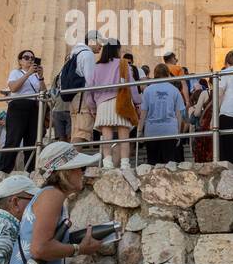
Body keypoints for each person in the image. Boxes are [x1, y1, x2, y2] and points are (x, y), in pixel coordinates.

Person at [87, 40, 140, 168]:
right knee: (124, 136)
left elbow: (89, 88)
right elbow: (131, 85)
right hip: (120, 102)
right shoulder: (123, 64)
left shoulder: (96, 67)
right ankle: (125, 164)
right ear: (117, 49)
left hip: (102, 104)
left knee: (106, 137)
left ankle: (107, 163)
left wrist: (92, 107)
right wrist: (138, 102)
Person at [0, 50, 43, 173]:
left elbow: (43, 92)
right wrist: (27, 74)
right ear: (20, 61)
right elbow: (13, 87)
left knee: (31, 140)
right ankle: (3, 170)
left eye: (32, 58)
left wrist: (41, 77)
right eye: (26, 57)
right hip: (18, 106)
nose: (30, 59)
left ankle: (30, 171)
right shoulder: (16, 72)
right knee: (13, 139)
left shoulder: (36, 77)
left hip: (33, 107)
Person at [138, 63, 186, 165]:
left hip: (152, 131)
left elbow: (143, 114)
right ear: (168, 74)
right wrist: (178, 133)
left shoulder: (148, 90)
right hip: (170, 131)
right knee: (169, 164)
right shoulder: (174, 90)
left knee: (153, 163)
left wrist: (139, 131)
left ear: (155, 74)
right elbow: (179, 114)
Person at [65, 31, 101, 143]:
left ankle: (72, 159)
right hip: (83, 98)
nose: (101, 45)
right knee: (82, 132)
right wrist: (93, 104)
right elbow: (90, 82)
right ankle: (74, 160)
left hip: (74, 97)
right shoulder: (88, 54)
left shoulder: (76, 53)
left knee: (76, 132)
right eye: (99, 42)